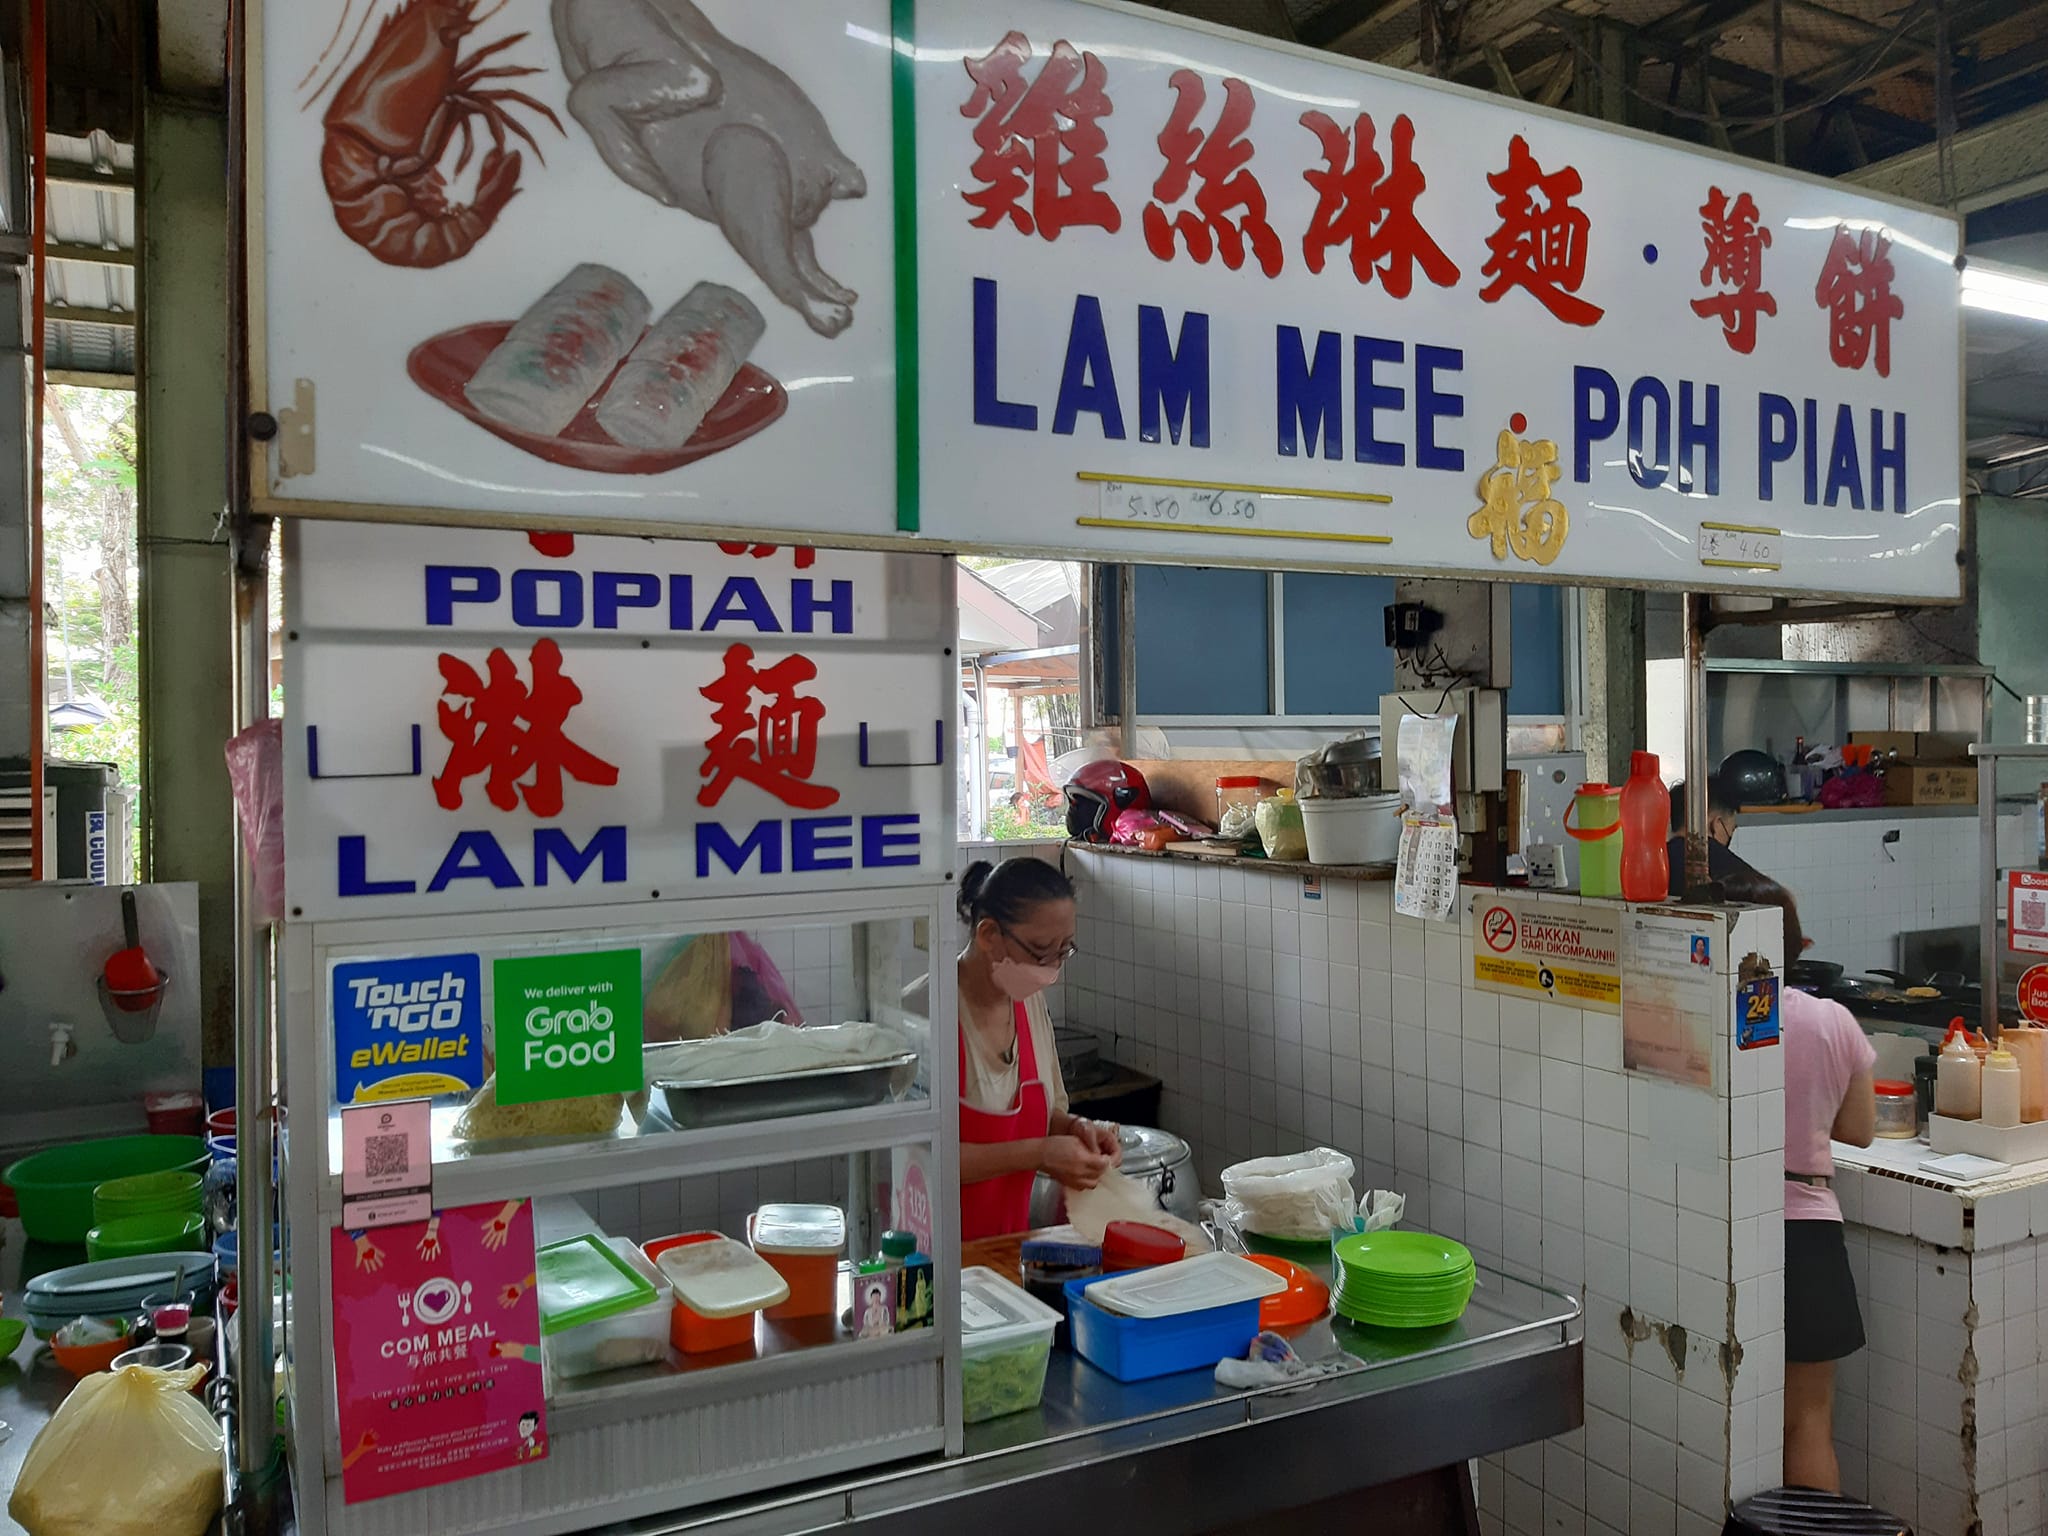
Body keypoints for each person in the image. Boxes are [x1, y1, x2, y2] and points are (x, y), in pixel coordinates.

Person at [1721, 868, 1875, 1492]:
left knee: (1729, 1423)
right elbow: (1861, 1130)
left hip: (1728, 1227)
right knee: (1808, 1425)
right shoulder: (1830, 1020)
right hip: (1807, 1233)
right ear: (1796, 945)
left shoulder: (1716, 1012)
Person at [956, 856, 1120, 1240]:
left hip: (1006, 1248)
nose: (1052, 968)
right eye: (1041, 950)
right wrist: (1042, 1153)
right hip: (933, 1259)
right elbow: (926, 1158)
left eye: (1065, 950)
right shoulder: (932, 1011)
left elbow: (1043, 1117)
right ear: (988, 935)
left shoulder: (1028, 1003)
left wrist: (1079, 1130)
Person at [1667, 773, 1764, 889]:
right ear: (1716, 825)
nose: (1730, 835)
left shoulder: (1660, 858)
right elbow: (1781, 898)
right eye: (1731, 829)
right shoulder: (1709, 855)